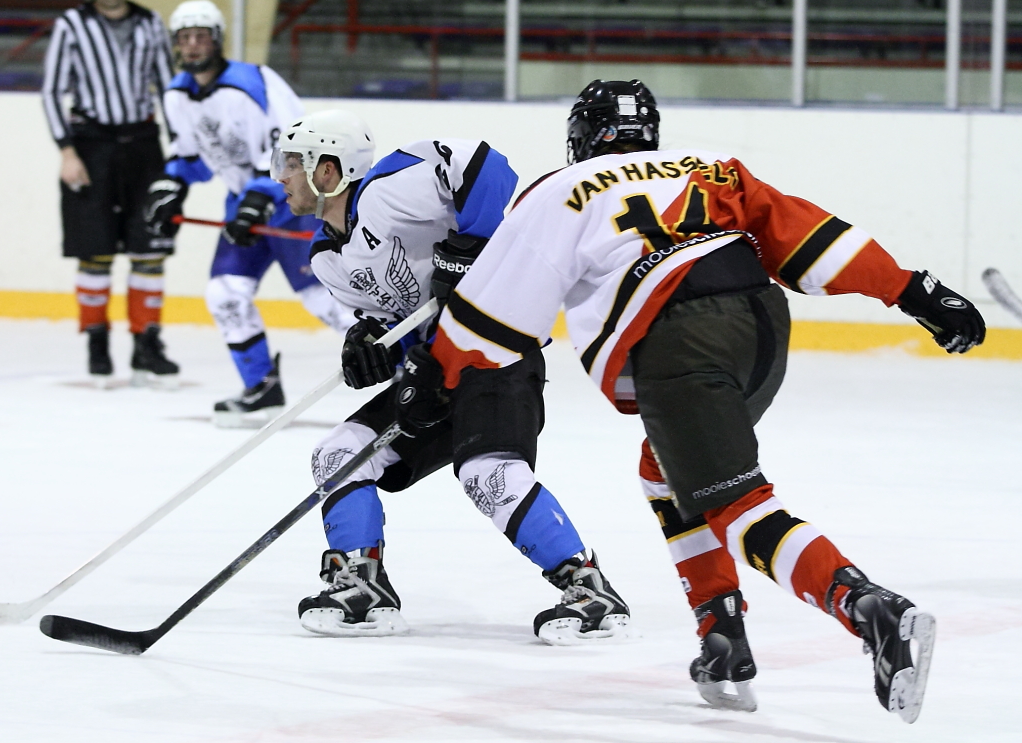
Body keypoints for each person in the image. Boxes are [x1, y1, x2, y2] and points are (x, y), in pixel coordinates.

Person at [414, 80, 985, 721]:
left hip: (681, 335)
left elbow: (496, 318)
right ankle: (722, 636)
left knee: (739, 507)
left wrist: (437, 374)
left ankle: (872, 610)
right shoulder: (706, 167)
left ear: (581, 136)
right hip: (762, 324)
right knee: (664, 470)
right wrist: (910, 290)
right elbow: (806, 235)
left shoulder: (559, 191)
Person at [271, 109, 631, 642]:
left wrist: (470, 250)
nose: (281, 177)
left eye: (292, 164)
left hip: (495, 353)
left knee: (488, 474)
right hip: (435, 373)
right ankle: (362, 585)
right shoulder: (327, 257)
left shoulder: (389, 189)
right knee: (339, 454)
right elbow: (399, 326)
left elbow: (488, 168)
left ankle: (590, 590)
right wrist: (371, 348)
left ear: (328, 170)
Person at [151, 0, 350, 425]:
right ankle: (261, 386)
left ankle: (404, 367)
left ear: (217, 39)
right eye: (184, 38)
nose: (192, 46)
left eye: (201, 36)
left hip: (291, 203)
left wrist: (261, 196)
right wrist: (172, 186)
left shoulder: (255, 81)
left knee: (324, 299)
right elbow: (195, 157)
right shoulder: (176, 95)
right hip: (244, 206)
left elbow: (295, 143)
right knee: (225, 293)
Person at [41, 0, 179, 387]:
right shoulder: (71, 25)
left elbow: (168, 88)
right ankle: (97, 342)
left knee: (150, 249)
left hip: (143, 144)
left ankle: (146, 343)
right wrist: (67, 151)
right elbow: (51, 92)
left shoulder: (150, 24)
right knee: (95, 250)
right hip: (91, 145)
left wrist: (178, 152)